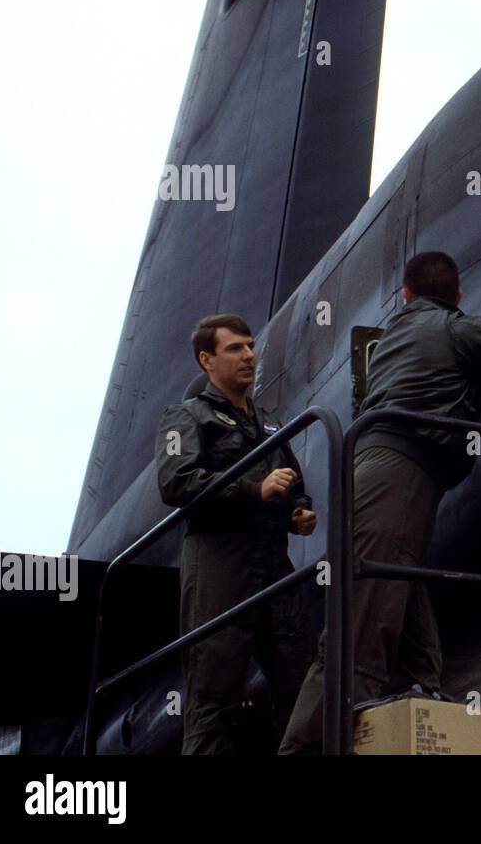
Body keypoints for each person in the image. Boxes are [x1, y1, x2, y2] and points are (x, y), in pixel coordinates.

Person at [279, 251, 481, 753]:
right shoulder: (451, 327)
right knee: (357, 639)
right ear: (458, 296)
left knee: (409, 608)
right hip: (398, 472)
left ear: (405, 295)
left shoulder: (395, 332)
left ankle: (423, 696)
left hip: (383, 473)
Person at [155, 313, 318, 754]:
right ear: (207, 360)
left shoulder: (268, 426)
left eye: (250, 346)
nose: (249, 355)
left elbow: (292, 484)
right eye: (235, 348)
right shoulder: (184, 417)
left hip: (273, 566)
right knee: (214, 697)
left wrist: (299, 513)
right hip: (219, 565)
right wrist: (252, 489)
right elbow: (176, 481)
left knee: (302, 685)